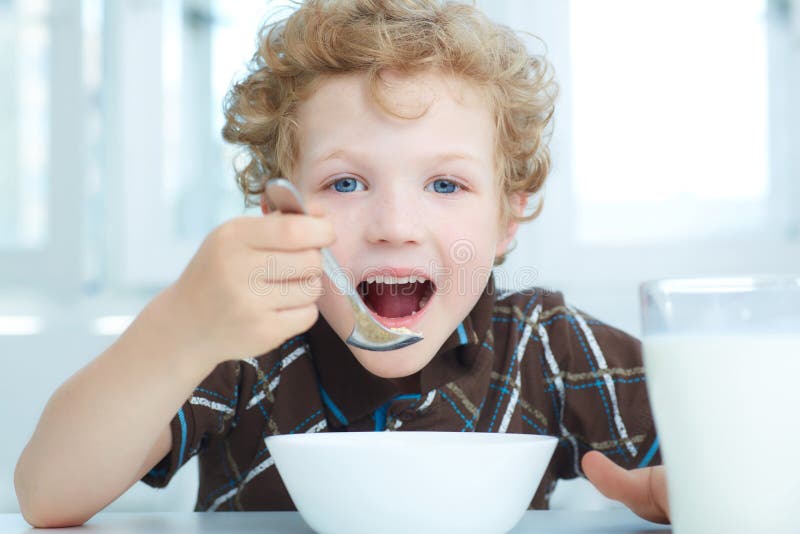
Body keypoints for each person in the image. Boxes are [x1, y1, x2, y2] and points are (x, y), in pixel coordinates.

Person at [14, 0, 669, 527]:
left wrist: (691, 489)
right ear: (285, 214)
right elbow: (50, 495)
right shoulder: (243, 349)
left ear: (507, 220)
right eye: (347, 184)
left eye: (445, 185)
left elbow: (735, 457)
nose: (393, 227)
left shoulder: (543, 344)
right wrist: (181, 325)